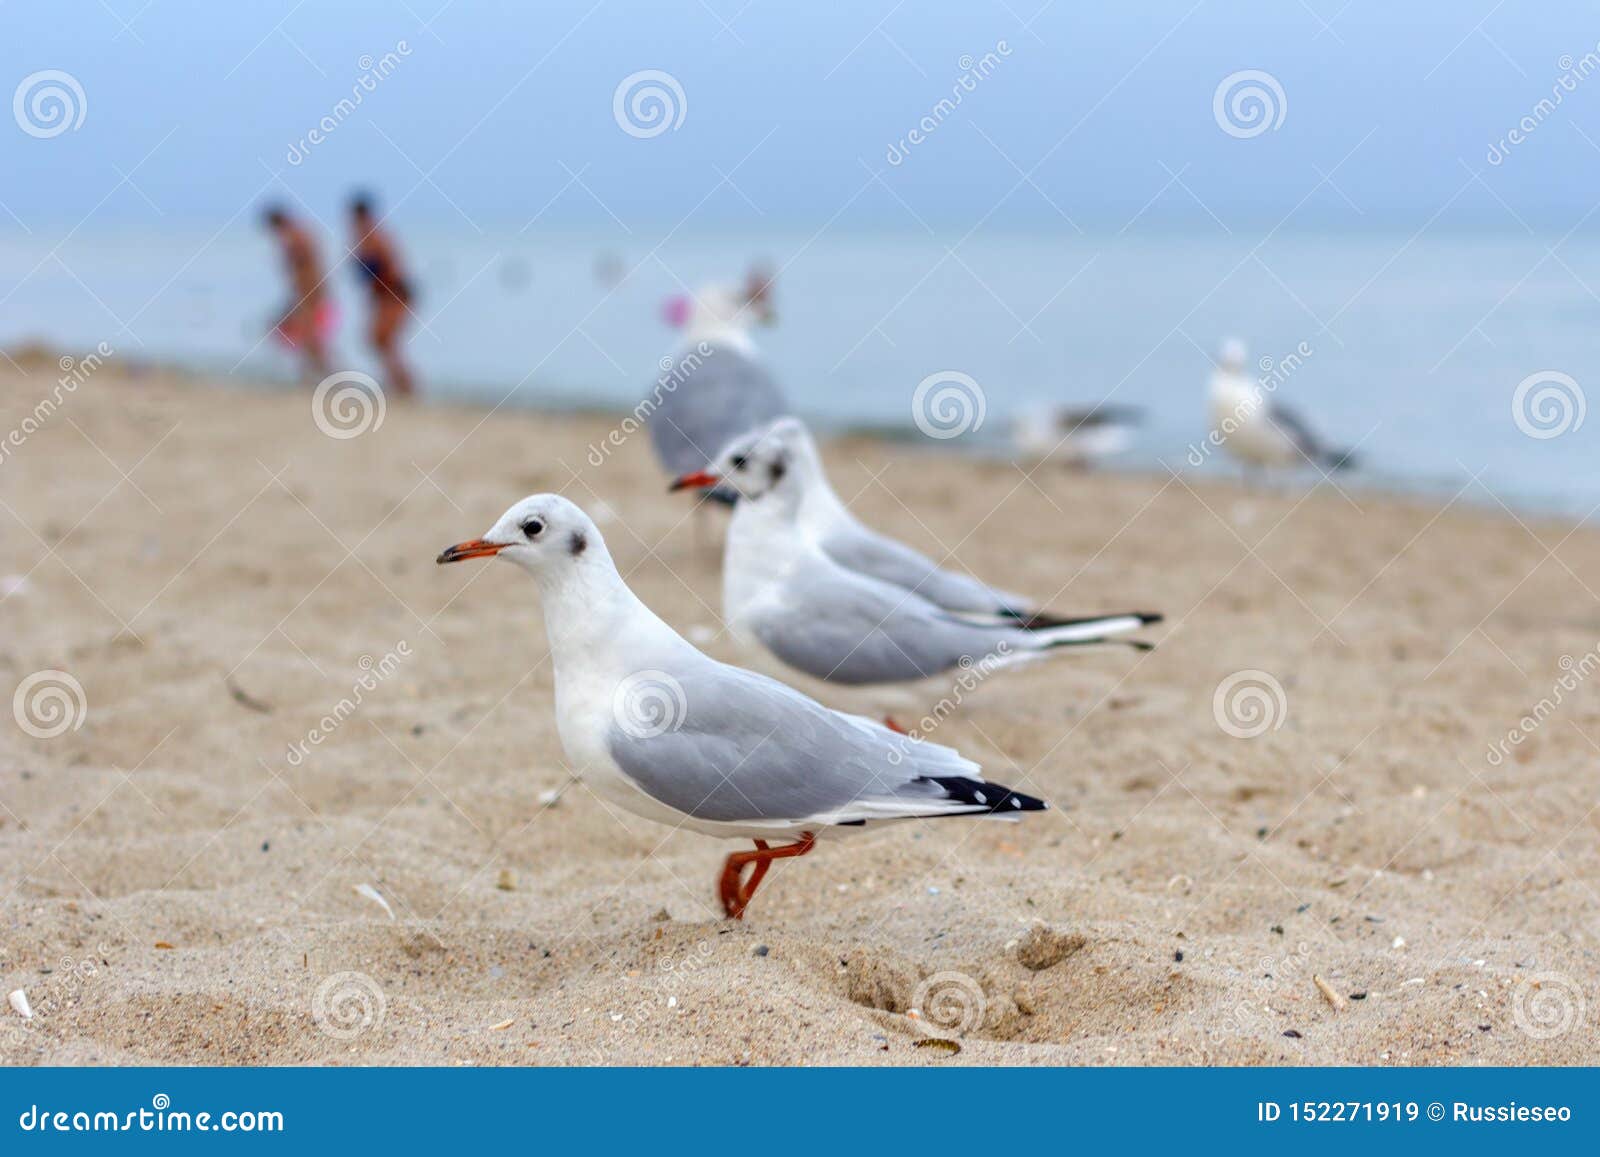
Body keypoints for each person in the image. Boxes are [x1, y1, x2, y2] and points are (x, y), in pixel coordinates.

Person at [348, 192, 417, 397]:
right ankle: (400, 386)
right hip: (384, 295)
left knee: (382, 340)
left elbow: (379, 269)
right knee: (379, 341)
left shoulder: (374, 237)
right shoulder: (366, 237)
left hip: (395, 293)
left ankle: (406, 387)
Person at [261, 204, 333, 380]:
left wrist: (306, 297)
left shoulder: (296, 239)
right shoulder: (298, 237)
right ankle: (313, 375)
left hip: (310, 295)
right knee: (308, 339)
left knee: (310, 339)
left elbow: (307, 272)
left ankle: (325, 376)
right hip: (307, 294)